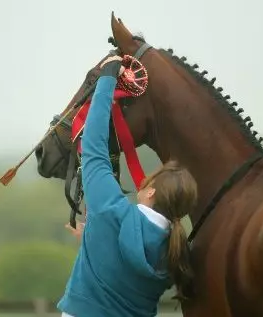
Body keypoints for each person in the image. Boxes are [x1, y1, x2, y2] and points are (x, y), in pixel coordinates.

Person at [58, 55, 198, 317]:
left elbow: (94, 146)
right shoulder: (175, 254)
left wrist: (107, 78)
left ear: (152, 191)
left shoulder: (110, 210)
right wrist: (93, 237)